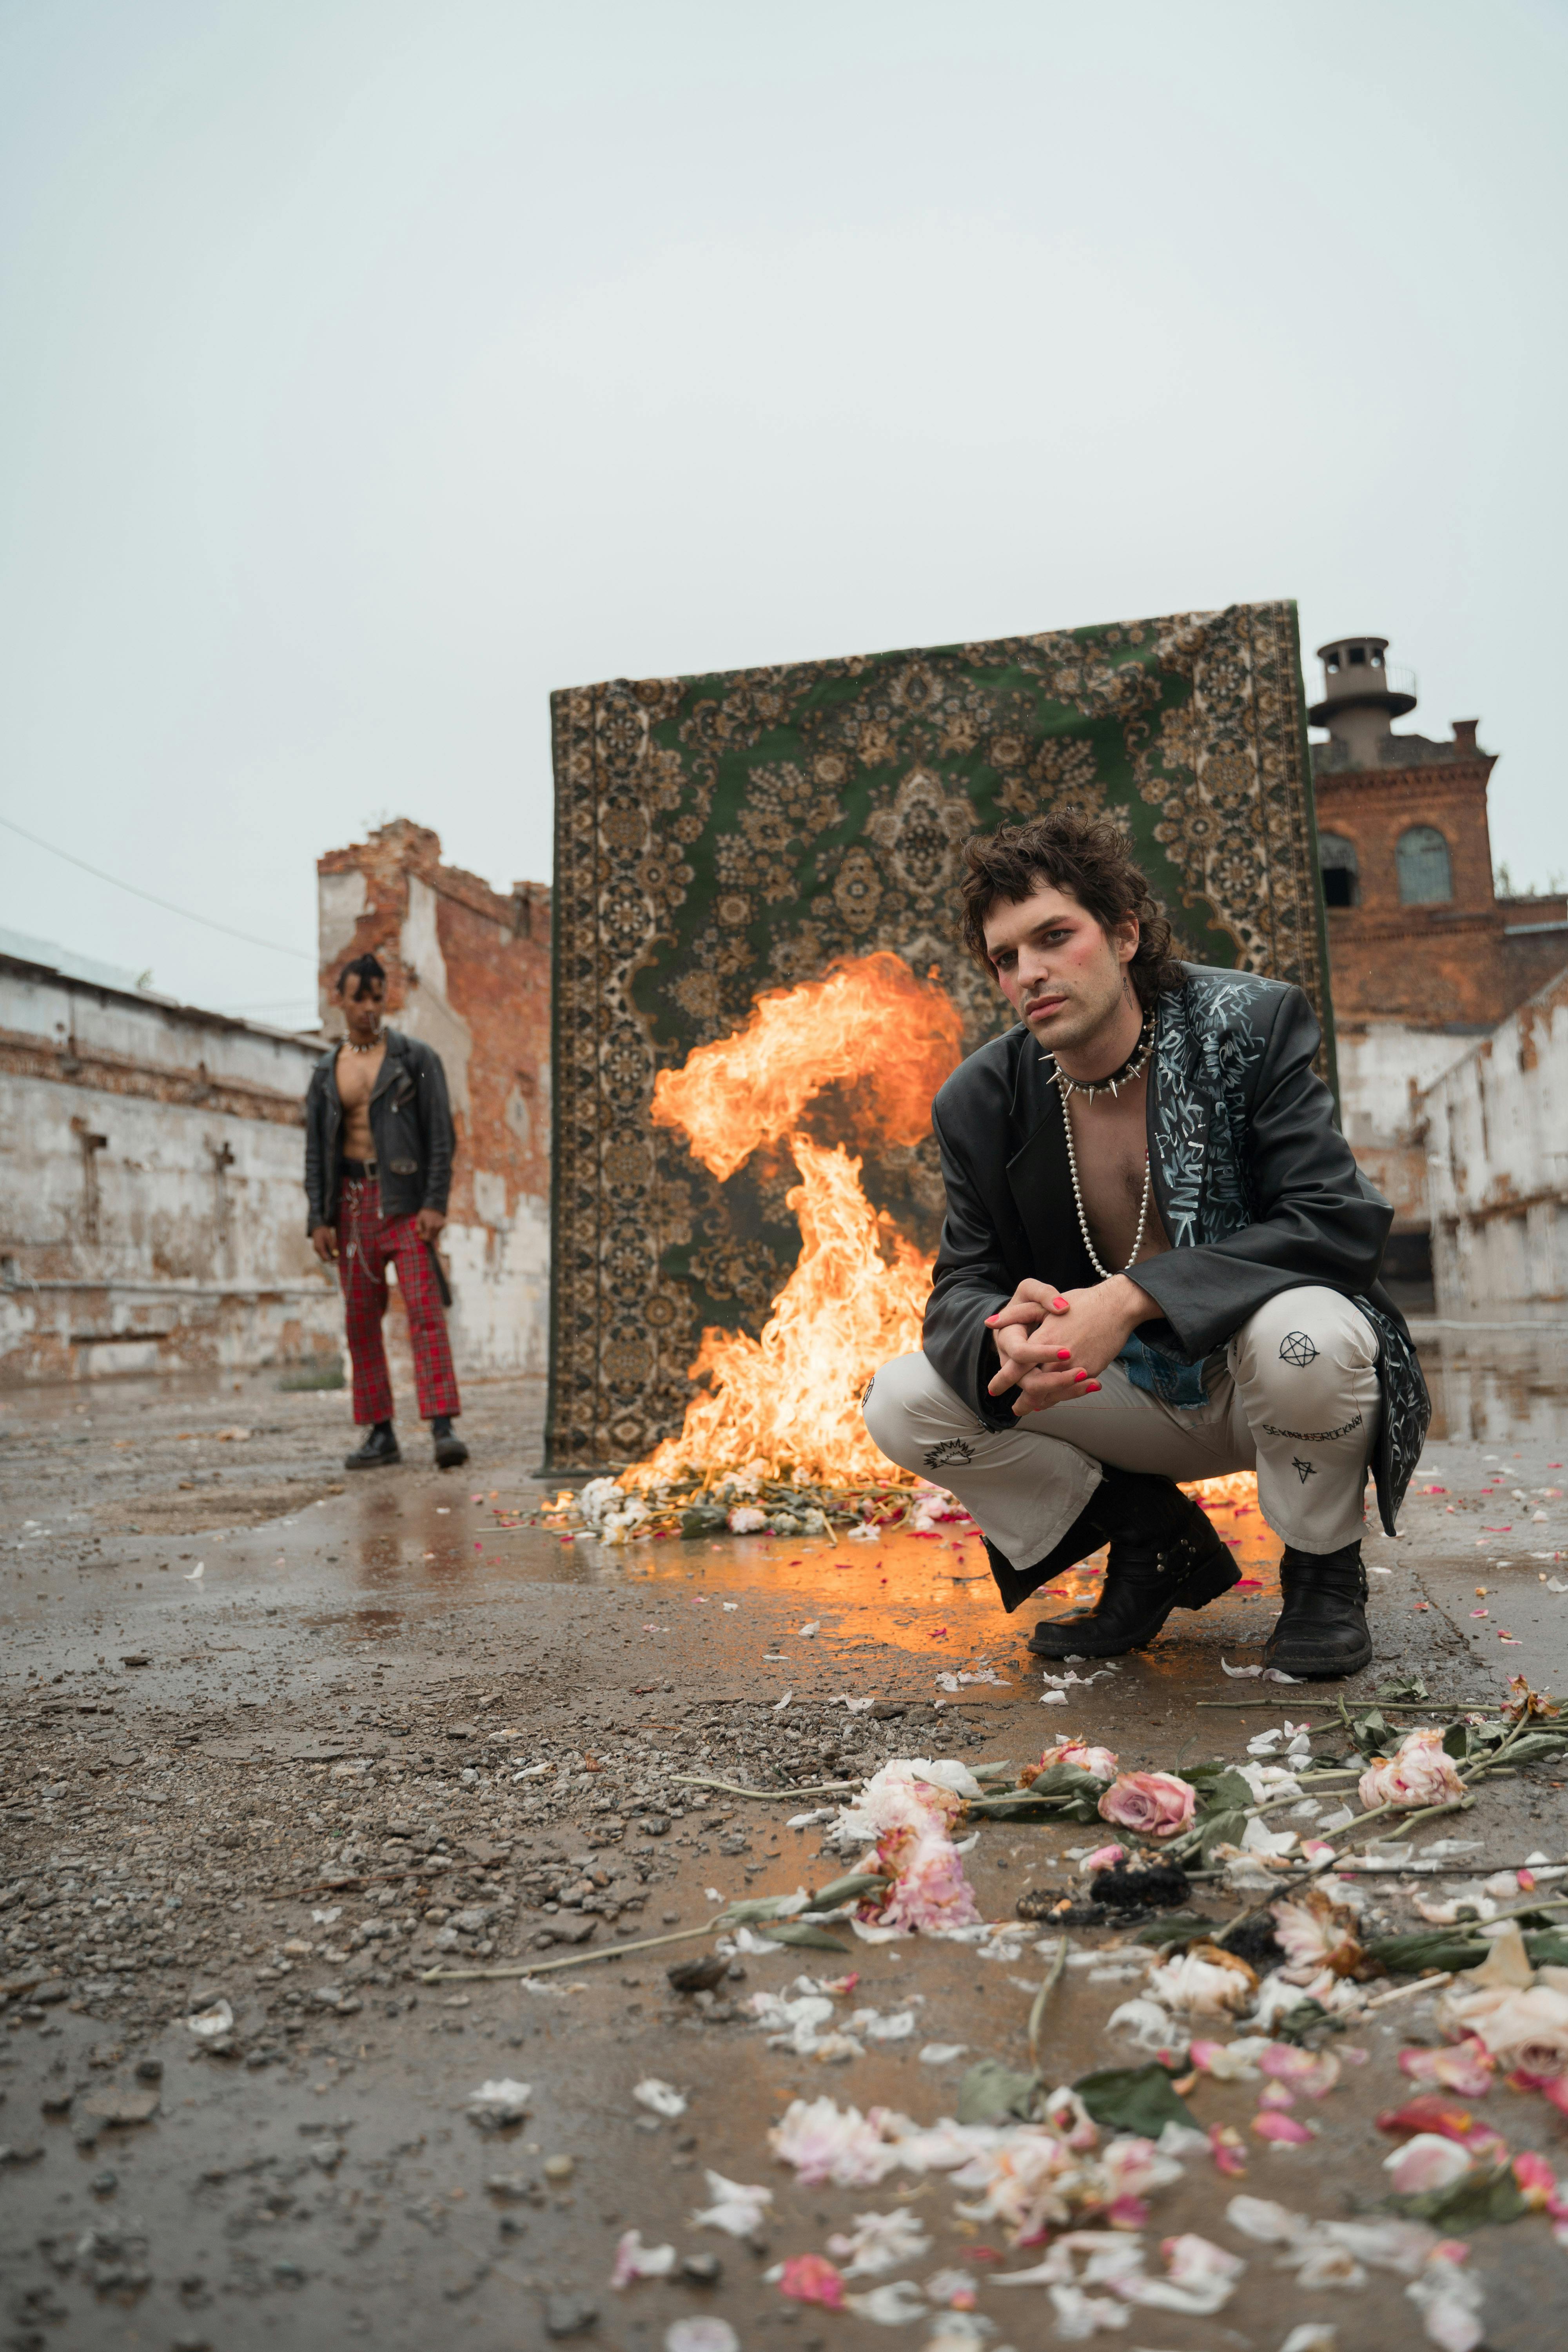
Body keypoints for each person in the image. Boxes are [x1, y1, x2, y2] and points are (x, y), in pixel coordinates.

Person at [862, 812, 1428, 1679]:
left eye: (1055, 937)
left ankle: (1321, 1572)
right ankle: (1151, 1539)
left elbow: (1332, 1218)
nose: (1030, 974)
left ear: (1122, 935)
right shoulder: (979, 1099)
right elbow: (959, 1284)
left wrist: (1131, 1298)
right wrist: (1000, 1331)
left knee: (1303, 1333)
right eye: (1006, 958)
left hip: (1266, 1376)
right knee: (903, 1400)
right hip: (1120, 1397)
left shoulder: (1248, 1023)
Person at [304, 951, 469, 1471]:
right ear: (341, 1001)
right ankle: (381, 1435)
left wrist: (434, 1203)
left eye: (378, 999)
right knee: (360, 1318)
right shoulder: (327, 1073)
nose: (370, 1010)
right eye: (360, 999)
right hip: (351, 1206)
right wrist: (318, 1218)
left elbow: (442, 1137)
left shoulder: (415, 1059)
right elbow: (315, 1150)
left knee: (424, 1311)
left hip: (404, 1203)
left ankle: (442, 1428)